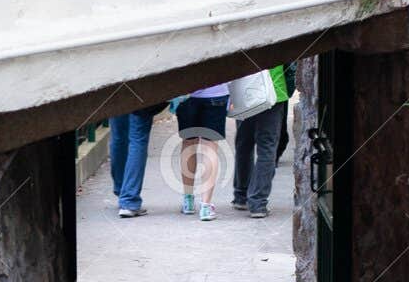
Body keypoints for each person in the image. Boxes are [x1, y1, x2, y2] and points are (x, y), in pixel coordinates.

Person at [233, 64, 289, 218]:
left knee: (244, 144)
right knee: (267, 148)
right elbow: (291, 65)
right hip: (274, 91)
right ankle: (258, 203)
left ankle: (241, 195)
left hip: (245, 90)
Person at [172, 82, 229, 221]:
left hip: (186, 95)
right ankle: (205, 207)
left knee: (188, 145)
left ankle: (188, 201)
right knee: (210, 148)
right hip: (216, 94)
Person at [109, 104, 161, 217]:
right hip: (140, 97)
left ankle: (121, 189)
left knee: (118, 136)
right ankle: (129, 200)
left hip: (115, 96)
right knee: (138, 138)